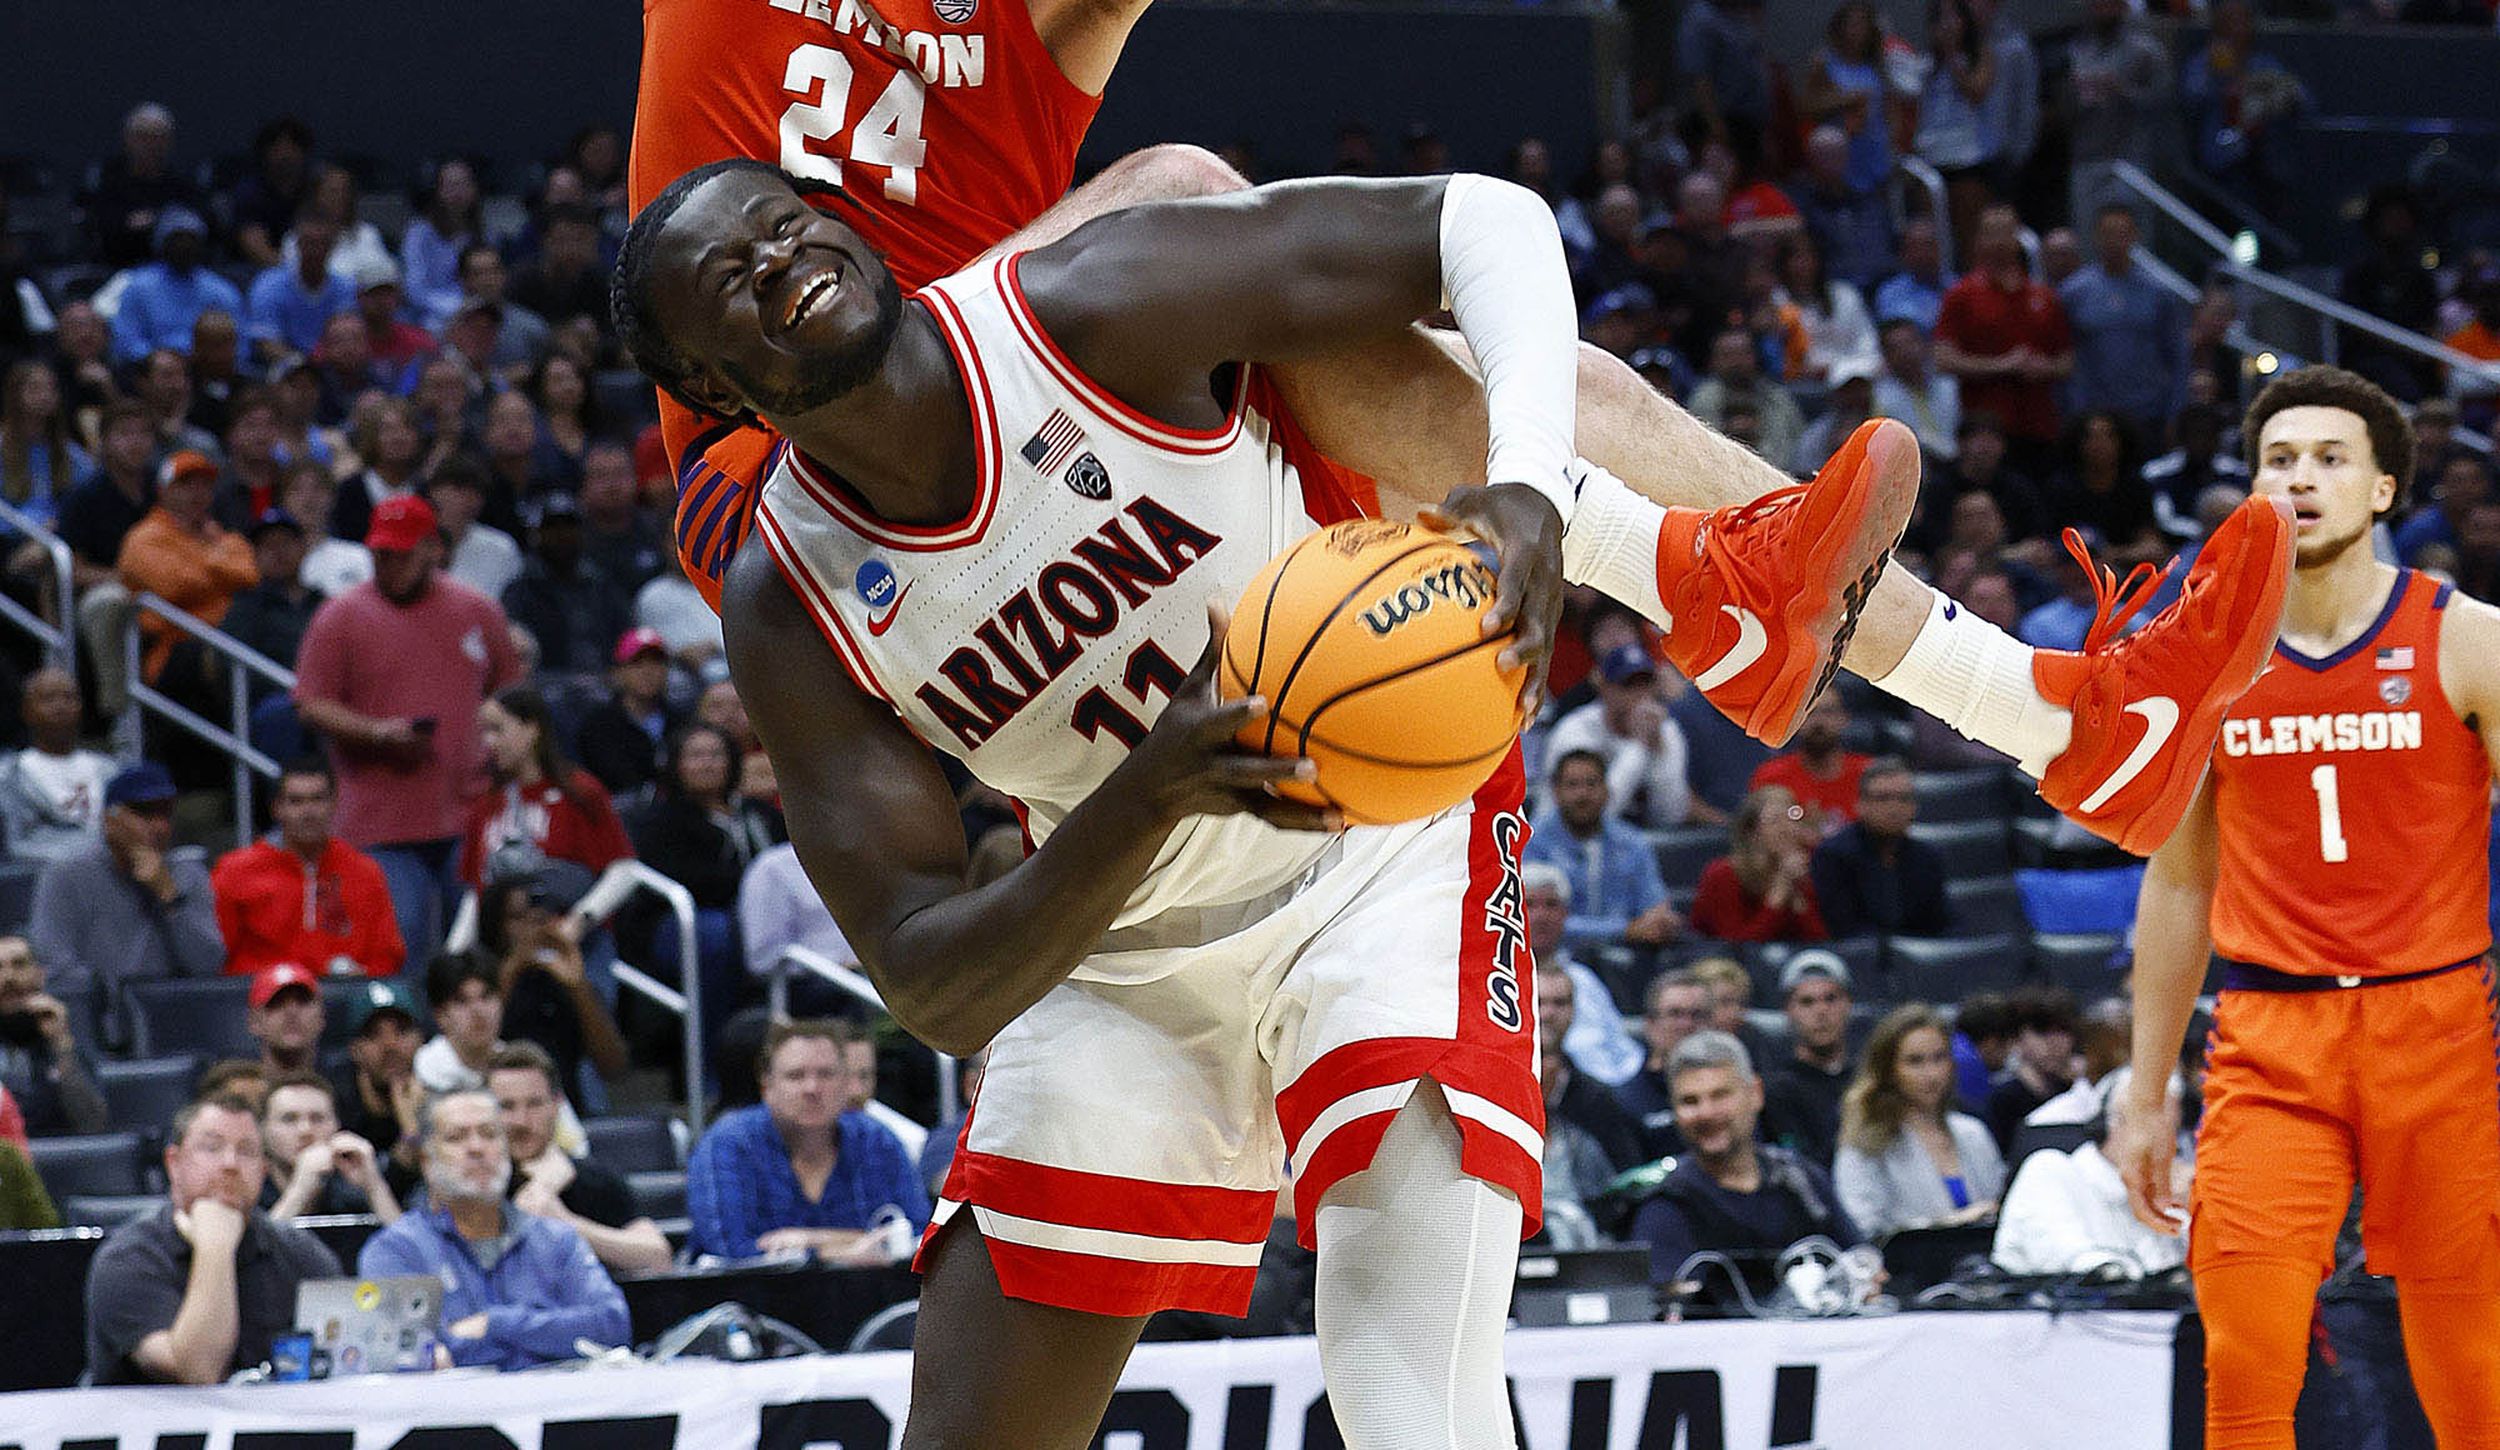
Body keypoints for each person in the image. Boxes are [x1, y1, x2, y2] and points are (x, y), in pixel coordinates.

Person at [624, 156, 2293, 1446]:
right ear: (717, 391)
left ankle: (1800, 610)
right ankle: (1813, 617)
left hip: (1382, 845)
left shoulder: (1082, 303)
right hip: (1126, 935)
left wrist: (1528, 484)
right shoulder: (792, 601)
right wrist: (1150, 786)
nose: (778, 261)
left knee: (1400, 1383)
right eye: (733, 282)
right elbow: (929, 972)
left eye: (782, 225)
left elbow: (1481, 218)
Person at [2111, 365, 2500, 1448]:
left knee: (2470, 1379)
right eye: (2278, 460)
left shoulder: (2468, 637)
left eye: (2331, 458)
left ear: (2383, 489)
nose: (2301, 478)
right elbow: (2179, 880)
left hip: (2437, 1032)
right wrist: (2145, 1092)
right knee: (2243, 1358)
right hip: (2270, 1038)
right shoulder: (2204, 664)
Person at [293, 495, 525, 956]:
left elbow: (512, 696)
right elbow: (310, 702)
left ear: (432, 549)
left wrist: (500, 754)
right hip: (380, 822)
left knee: (485, 947)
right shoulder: (340, 616)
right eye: (381, 554)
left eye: (401, 554)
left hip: (469, 811)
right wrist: (377, 732)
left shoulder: (476, 609)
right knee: (399, 948)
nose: (390, 565)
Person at [357, 1088, 630, 1371]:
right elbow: (403, 1355)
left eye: (489, 1134)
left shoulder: (557, 1240)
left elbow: (613, 1325)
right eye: (456, 1137)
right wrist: (548, 1338)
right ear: (427, 1162)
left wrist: (497, 1323)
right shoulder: (396, 1250)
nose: (477, 1148)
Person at [82, 1093, 341, 1385]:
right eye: (212, 1148)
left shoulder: (303, 1255)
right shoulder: (128, 1259)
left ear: (263, 1169)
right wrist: (216, 1247)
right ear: (174, 1163)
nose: (230, 1164)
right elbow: (198, 1372)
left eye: (247, 1151)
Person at [1624, 1031, 1862, 1287]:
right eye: (1690, 1101)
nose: (1706, 1113)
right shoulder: (1666, 1207)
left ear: (1755, 1094)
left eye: (1720, 1095)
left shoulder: (1802, 1182)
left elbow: (1861, 1263)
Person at [684, 1020, 928, 1262]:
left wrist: (810, 1239)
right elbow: (729, 1249)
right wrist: (837, 1251)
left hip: (871, 1293)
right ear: (767, 1085)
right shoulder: (729, 1144)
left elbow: (920, 1235)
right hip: (753, 1296)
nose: (812, 1088)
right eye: (795, 1076)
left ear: (845, 1082)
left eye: (826, 1074)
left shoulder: (877, 1140)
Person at [27, 762, 224, 1031]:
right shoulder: (65, 875)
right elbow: (55, 966)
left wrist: (170, 898)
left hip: (177, 1021)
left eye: (165, 814)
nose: (158, 826)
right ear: (110, 819)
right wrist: (122, 1003)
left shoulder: (187, 875)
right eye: (144, 814)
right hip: (94, 1023)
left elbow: (209, 965)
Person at [421, 891, 626, 1117]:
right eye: (518, 918)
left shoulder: (563, 981)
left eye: (539, 920)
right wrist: (517, 962)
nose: (531, 930)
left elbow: (614, 1067)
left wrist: (577, 985)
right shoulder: (429, 1067)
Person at [488, 1042, 674, 1277]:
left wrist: (566, 1223)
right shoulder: (471, 1183)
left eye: (534, 1104)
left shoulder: (595, 1180)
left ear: (556, 1105)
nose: (521, 1121)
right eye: (506, 1106)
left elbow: (658, 1256)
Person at [213, 759, 405, 979]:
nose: (308, 811)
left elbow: (388, 956)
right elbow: (216, 957)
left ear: (334, 803)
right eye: (296, 801)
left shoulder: (365, 872)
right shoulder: (235, 872)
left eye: (317, 799)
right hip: (263, 1001)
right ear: (277, 808)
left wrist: (365, 975)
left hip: (345, 998)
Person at [1993, 1067, 2184, 1278]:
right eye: (2154, 1129)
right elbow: (2082, 1267)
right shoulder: (2048, 1171)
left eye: (2171, 1131)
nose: (2166, 1145)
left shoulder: (2163, 1197)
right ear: (2112, 1123)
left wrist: (2198, 1207)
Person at [1833, 1004, 2005, 1236]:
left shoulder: (1973, 1132)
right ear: (1889, 1070)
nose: (1931, 1074)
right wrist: (1951, 1223)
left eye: (1939, 1058)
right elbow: (1862, 1231)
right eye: (1915, 1061)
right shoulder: (1865, 1141)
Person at [1934, 205, 2073, 473]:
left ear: (2018, 239)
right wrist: (2002, 365)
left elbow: (2066, 361)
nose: (1998, 241)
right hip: (1983, 430)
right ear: (1978, 241)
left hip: (2039, 426)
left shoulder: (2044, 297)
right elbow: (1943, 359)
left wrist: (2044, 368)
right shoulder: (1961, 295)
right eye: (1990, 233)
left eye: (2005, 233)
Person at [116, 430, 259, 686]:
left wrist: (203, 565)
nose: (197, 492)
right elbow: (175, 585)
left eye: (205, 484)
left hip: (231, 637)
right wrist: (216, 563)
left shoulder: (225, 537)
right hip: (177, 648)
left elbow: (250, 575)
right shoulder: (144, 537)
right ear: (163, 491)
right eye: (185, 484)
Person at [462, 686, 636, 889]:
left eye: (497, 729)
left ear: (532, 728)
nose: (489, 742)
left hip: (566, 916)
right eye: (485, 732)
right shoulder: (487, 803)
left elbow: (624, 870)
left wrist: (580, 918)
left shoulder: (579, 791)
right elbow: (476, 890)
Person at [1524, 749, 1681, 945]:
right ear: (1556, 792)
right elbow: (1536, 920)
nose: (1583, 794)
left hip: (1626, 955)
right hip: (1553, 953)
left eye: (1592, 784)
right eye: (1573, 785)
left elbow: (1654, 904)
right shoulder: (1531, 840)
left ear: (1607, 790)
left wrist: (1660, 921)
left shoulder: (1632, 842)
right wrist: (1625, 930)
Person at [1540, 642, 1696, 828]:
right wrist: (1639, 747)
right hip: (1557, 841)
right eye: (1628, 685)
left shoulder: (1664, 729)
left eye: (1645, 684)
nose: (1639, 695)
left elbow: (1671, 816)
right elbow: (1594, 812)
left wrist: (1660, 754)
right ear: (1604, 688)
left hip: (1631, 846)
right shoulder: (1576, 731)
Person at [1519, 862, 1642, 1088]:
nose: (1540, 916)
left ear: (1565, 914)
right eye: (1529, 904)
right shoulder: (1491, 981)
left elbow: (1623, 1052)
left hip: (1601, 1097)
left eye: (1551, 905)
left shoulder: (1584, 980)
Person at [1810, 757, 1951, 938]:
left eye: (1903, 798)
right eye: (1883, 798)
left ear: (1914, 806)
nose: (1894, 808)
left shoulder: (1928, 857)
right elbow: (1842, 929)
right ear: (1860, 804)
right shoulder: (1833, 856)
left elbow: (1940, 923)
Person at [0, 666, 116, 865]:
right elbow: (15, 846)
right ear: (26, 711)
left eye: (69, 698)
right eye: (48, 699)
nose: (60, 706)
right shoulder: (8, 774)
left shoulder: (109, 770)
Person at [107, 207, 242, 369]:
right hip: (153, 371)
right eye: (177, 239)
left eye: (191, 240)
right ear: (162, 243)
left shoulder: (221, 291)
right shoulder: (137, 286)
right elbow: (126, 340)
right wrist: (160, 359)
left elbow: (240, 345)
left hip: (209, 371)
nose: (184, 246)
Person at [258, 1070, 400, 1222]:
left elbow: (407, 1245)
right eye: (289, 1119)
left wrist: (374, 1186)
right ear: (262, 1130)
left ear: (337, 1127)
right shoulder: (250, 1194)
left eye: (317, 1118)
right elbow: (255, 1246)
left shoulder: (353, 1192)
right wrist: (299, 1191)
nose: (305, 1130)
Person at [0, 934, 107, 1136]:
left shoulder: (65, 1036)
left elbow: (93, 1125)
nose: (8, 977)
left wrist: (61, 1044)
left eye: (19, 964)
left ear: (40, 975)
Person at [1691, 785, 1827, 943]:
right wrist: (1780, 891)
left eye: (1793, 819)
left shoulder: (1803, 871)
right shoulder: (1723, 874)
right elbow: (1738, 947)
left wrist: (1798, 895)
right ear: (1752, 833)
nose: (1787, 829)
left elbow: (1820, 943)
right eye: (1775, 821)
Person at [1760, 953, 1856, 1168]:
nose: (1821, 1011)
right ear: (1788, 1011)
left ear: (1849, 1004)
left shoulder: (1870, 1081)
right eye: (1807, 1002)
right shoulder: (1775, 1091)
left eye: (1831, 999)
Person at [1613, 967, 1711, 1159]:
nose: (1686, 1025)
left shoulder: (1733, 1091)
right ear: (1650, 1024)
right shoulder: (1624, 1101)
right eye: (1675, 1014)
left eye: (1697, 1015)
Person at [330, 978, 424, 1172]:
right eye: (374, 1034)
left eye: (401, 1031)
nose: (390, 1045)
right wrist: (411, 1136)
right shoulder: (337, 1115)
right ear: (355, 1049)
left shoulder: (443, 1102)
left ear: (420, 1040)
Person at [574, 626, 680, 795]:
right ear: (618, 672)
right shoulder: (599, 726)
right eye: (637, 663)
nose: (648, 672)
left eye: (657, 662)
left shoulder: (681, 720)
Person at [1747, 693, 1870, 828]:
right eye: (1808, 712)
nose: (1818, 721)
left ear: (1844, 718)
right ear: (1793, 719)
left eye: (1828, 712)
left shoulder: (1868, 774)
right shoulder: (1771, 777)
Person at [1984, 985, 2079, 1155]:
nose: (2054, 1042)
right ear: (2016, 1040)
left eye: (2063, 1030)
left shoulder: (2077, 1093)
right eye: (2041, 1031)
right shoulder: (2003, 1102)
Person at [244, 961, 325, 1076]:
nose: (291, 1012)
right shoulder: (237, 1092)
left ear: (321, 1017)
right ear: (254, 1021)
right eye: (277, 1003)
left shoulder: (341, 1090)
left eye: (302, 1001)